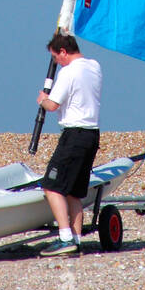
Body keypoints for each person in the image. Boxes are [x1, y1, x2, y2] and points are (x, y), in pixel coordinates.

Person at [36, 31, 102, 257]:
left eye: (56, 56)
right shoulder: (94, 66)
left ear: (63, 52)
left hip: (74, 135)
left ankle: (65, 238)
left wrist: (42, 99)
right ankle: (75, 239)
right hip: (92, 135)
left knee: (51, 186)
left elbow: (53, 105)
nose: (56, 61)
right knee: (74, 192)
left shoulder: (68, 72)